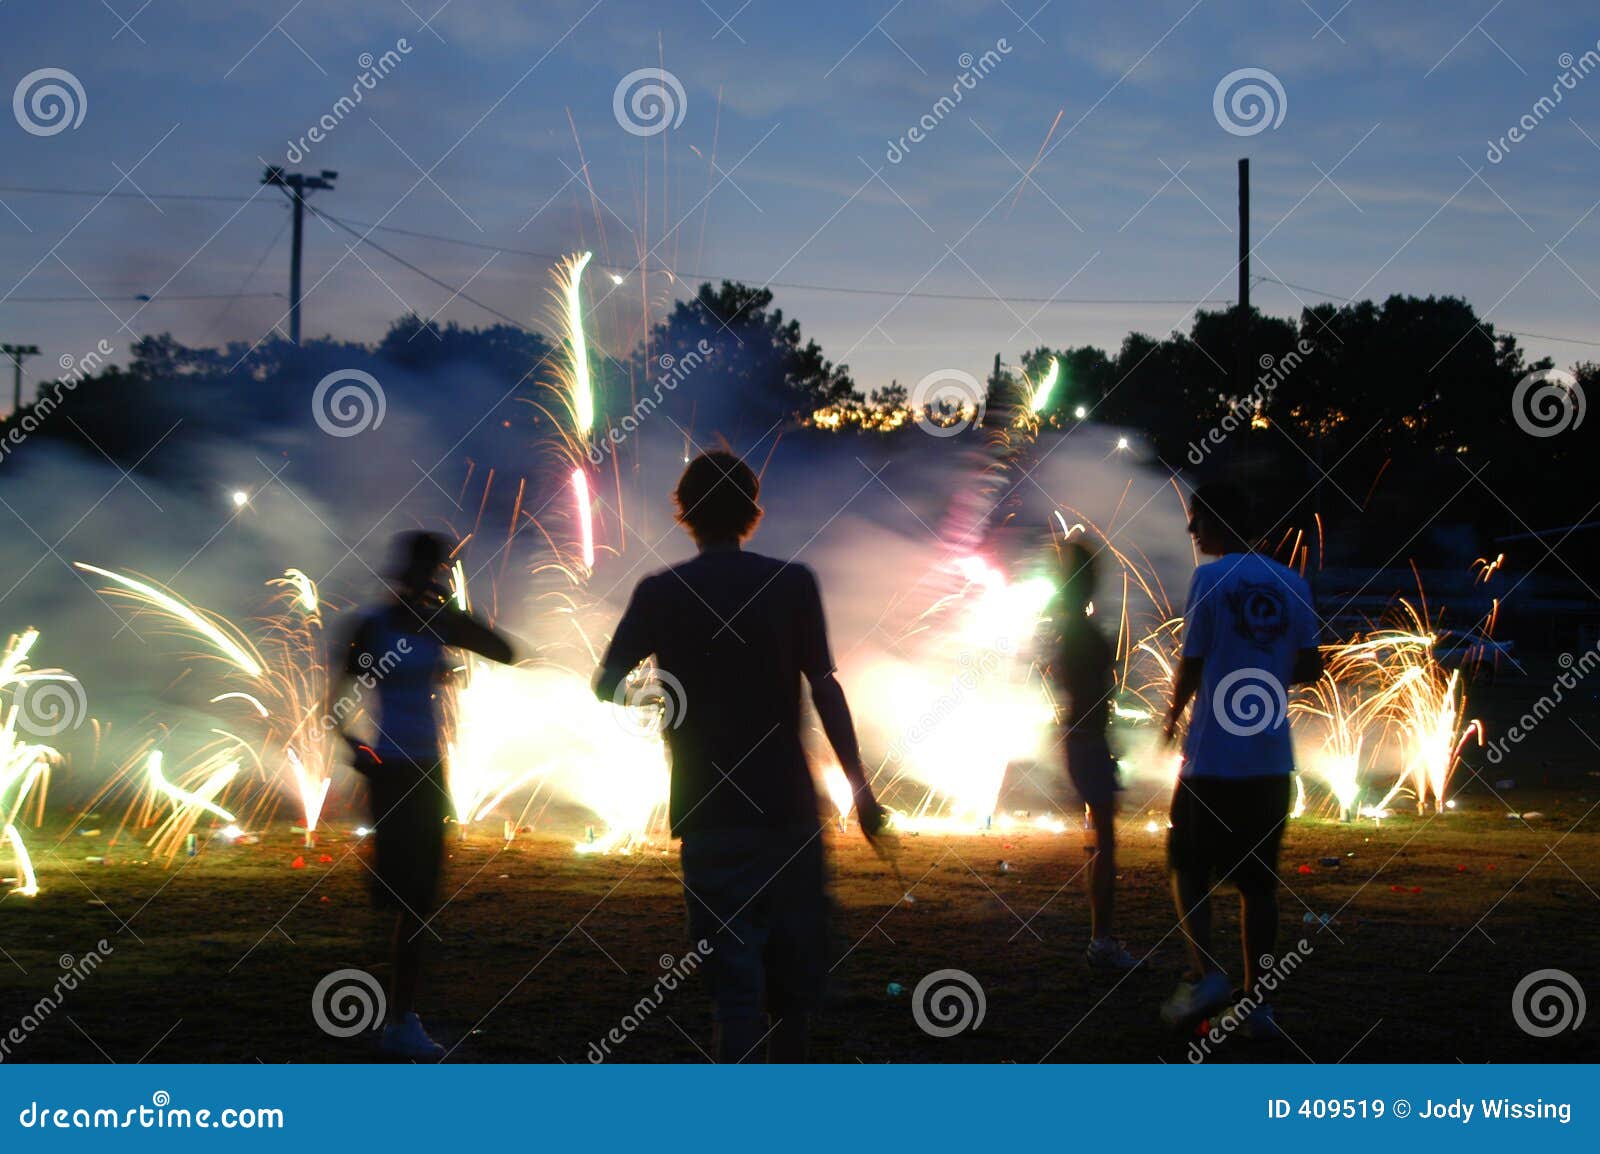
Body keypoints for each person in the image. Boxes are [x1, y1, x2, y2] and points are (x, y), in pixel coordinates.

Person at [594, 450, 889, 1063]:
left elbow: (608, 683)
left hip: (708, 812)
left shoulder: (661, 592)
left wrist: (671, 699)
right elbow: (826, 688)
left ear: (686, 514)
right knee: (793, 993)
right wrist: (861, 792)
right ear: (752, 512)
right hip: (786, 810)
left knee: (733, 993)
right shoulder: (792, 583)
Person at [326, 531, 515, 1060]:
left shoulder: (437, 623)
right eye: (429, 570)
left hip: (427, 772)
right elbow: (336, 702)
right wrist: (354, 749)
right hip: (391, 770)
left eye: (438, 573)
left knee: (419, 900)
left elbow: (506, 652)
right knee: (397, 897)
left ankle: (398, 1018)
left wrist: (451, 618)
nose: (431, 580)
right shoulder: (374, 626)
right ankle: (385, 1013)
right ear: (409, 571)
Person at [1159, 483, 1322, 1039]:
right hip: (1271, 758)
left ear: (1218, 520)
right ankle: (1259, 1005)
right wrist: (1265, 668)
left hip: (1214, 757)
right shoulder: (1293, 581)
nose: (1190, 530)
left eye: (1196, 518)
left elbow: (1194, 663)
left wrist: (1169, 717)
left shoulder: (1208, 579)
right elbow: (1312, 667)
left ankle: (1206, 974)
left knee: (1186, 861)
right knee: (1260, 885)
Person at [1049, 541, 1136, 971]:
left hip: (1084, 738)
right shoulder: (1080, 632)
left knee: (1101, 840)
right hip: (1087, 739)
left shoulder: (1072, 626)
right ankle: (1102, 942)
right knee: (1105, 841)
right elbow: (1090, 691)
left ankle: (1101, 937)